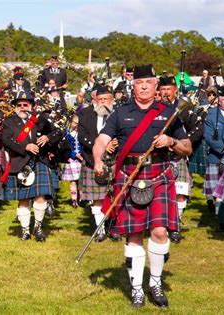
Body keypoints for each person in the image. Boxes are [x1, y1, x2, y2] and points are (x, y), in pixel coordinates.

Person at [93, 65, 192, 308]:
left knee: (159, 232)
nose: (145, 86)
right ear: (133, 85)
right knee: (134, 235)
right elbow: (101, 140)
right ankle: (136, 287)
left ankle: (155, 283)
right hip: (129, 175)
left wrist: (171, 141)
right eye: (140, 83)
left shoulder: (169, 112)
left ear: (156, 85)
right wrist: (97, 159)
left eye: (149, 82)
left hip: (159, 174)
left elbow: (187, 147)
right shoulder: (120, 112)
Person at [1, 91, 63, 241]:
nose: (22, 107)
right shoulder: (9, 122)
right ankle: (25, 230)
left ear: (32, 106)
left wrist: (48, 137)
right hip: (20, 162)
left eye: (26, 104)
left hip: (40, 162)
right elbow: (6, 139)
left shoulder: (40, 120)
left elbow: (59, 132)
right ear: (15, 107)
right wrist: (25, 147)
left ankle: (38, 226)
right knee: (24, 199)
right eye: (19, 105)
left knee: (41, 196)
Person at [159, 75, 204, 243]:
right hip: (160, 158)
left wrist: (183, 144)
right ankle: (162, 224)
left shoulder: (184, 108)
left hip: (178, 156)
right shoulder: (155, 109)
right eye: (162, 89)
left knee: (180, 193)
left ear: (175, 90)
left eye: (168, 90)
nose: (165, 93)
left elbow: (198, 129)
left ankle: (175, 226)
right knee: (161, 194)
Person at [78, 85, 118, 242]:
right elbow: (82, 137)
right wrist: (101, 146)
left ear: (112, 100)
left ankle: (114, 227)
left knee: (116, 196)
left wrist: (116, 144)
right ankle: (100, 229)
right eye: (99, 99)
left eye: (106, 99)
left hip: (116, 160)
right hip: (92, 160)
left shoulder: (119, 115)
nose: (102, 102)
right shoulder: (86, 115)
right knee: (97, 198)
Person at [204, 86, 224, 230]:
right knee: (217, 191)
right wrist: (223, 147)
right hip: (215, 157)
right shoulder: (211, 115)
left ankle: (223, 219)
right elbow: (208, 136)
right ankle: (221, 218)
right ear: (219, 100)